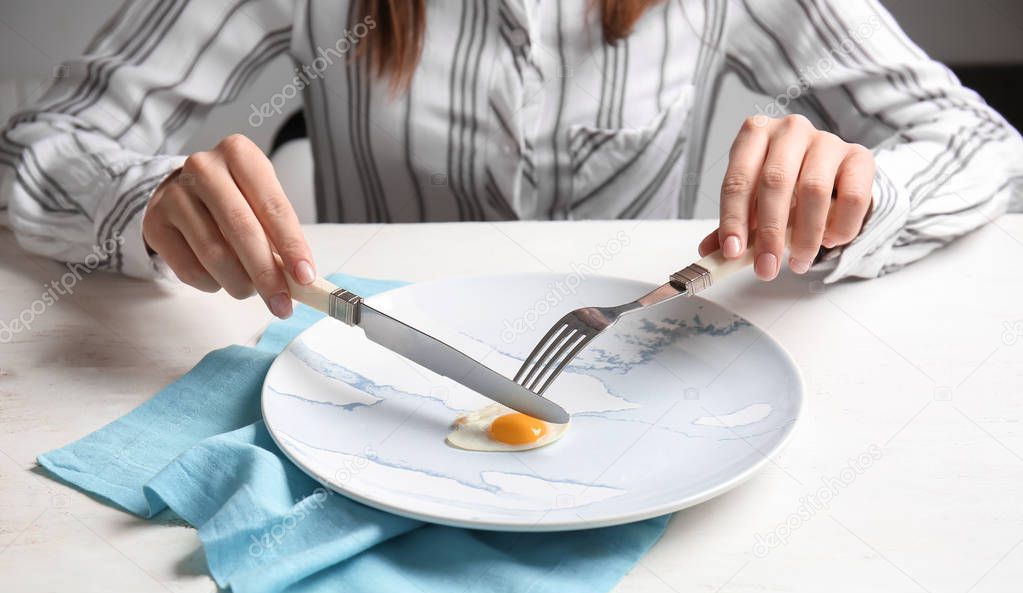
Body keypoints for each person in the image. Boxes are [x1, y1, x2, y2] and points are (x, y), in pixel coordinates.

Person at [1, 0, 1020, 319]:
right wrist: (146, 202)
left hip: (657, 395)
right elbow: (37, 145)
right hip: (374, 400)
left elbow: (982, 143)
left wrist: (860, 190)